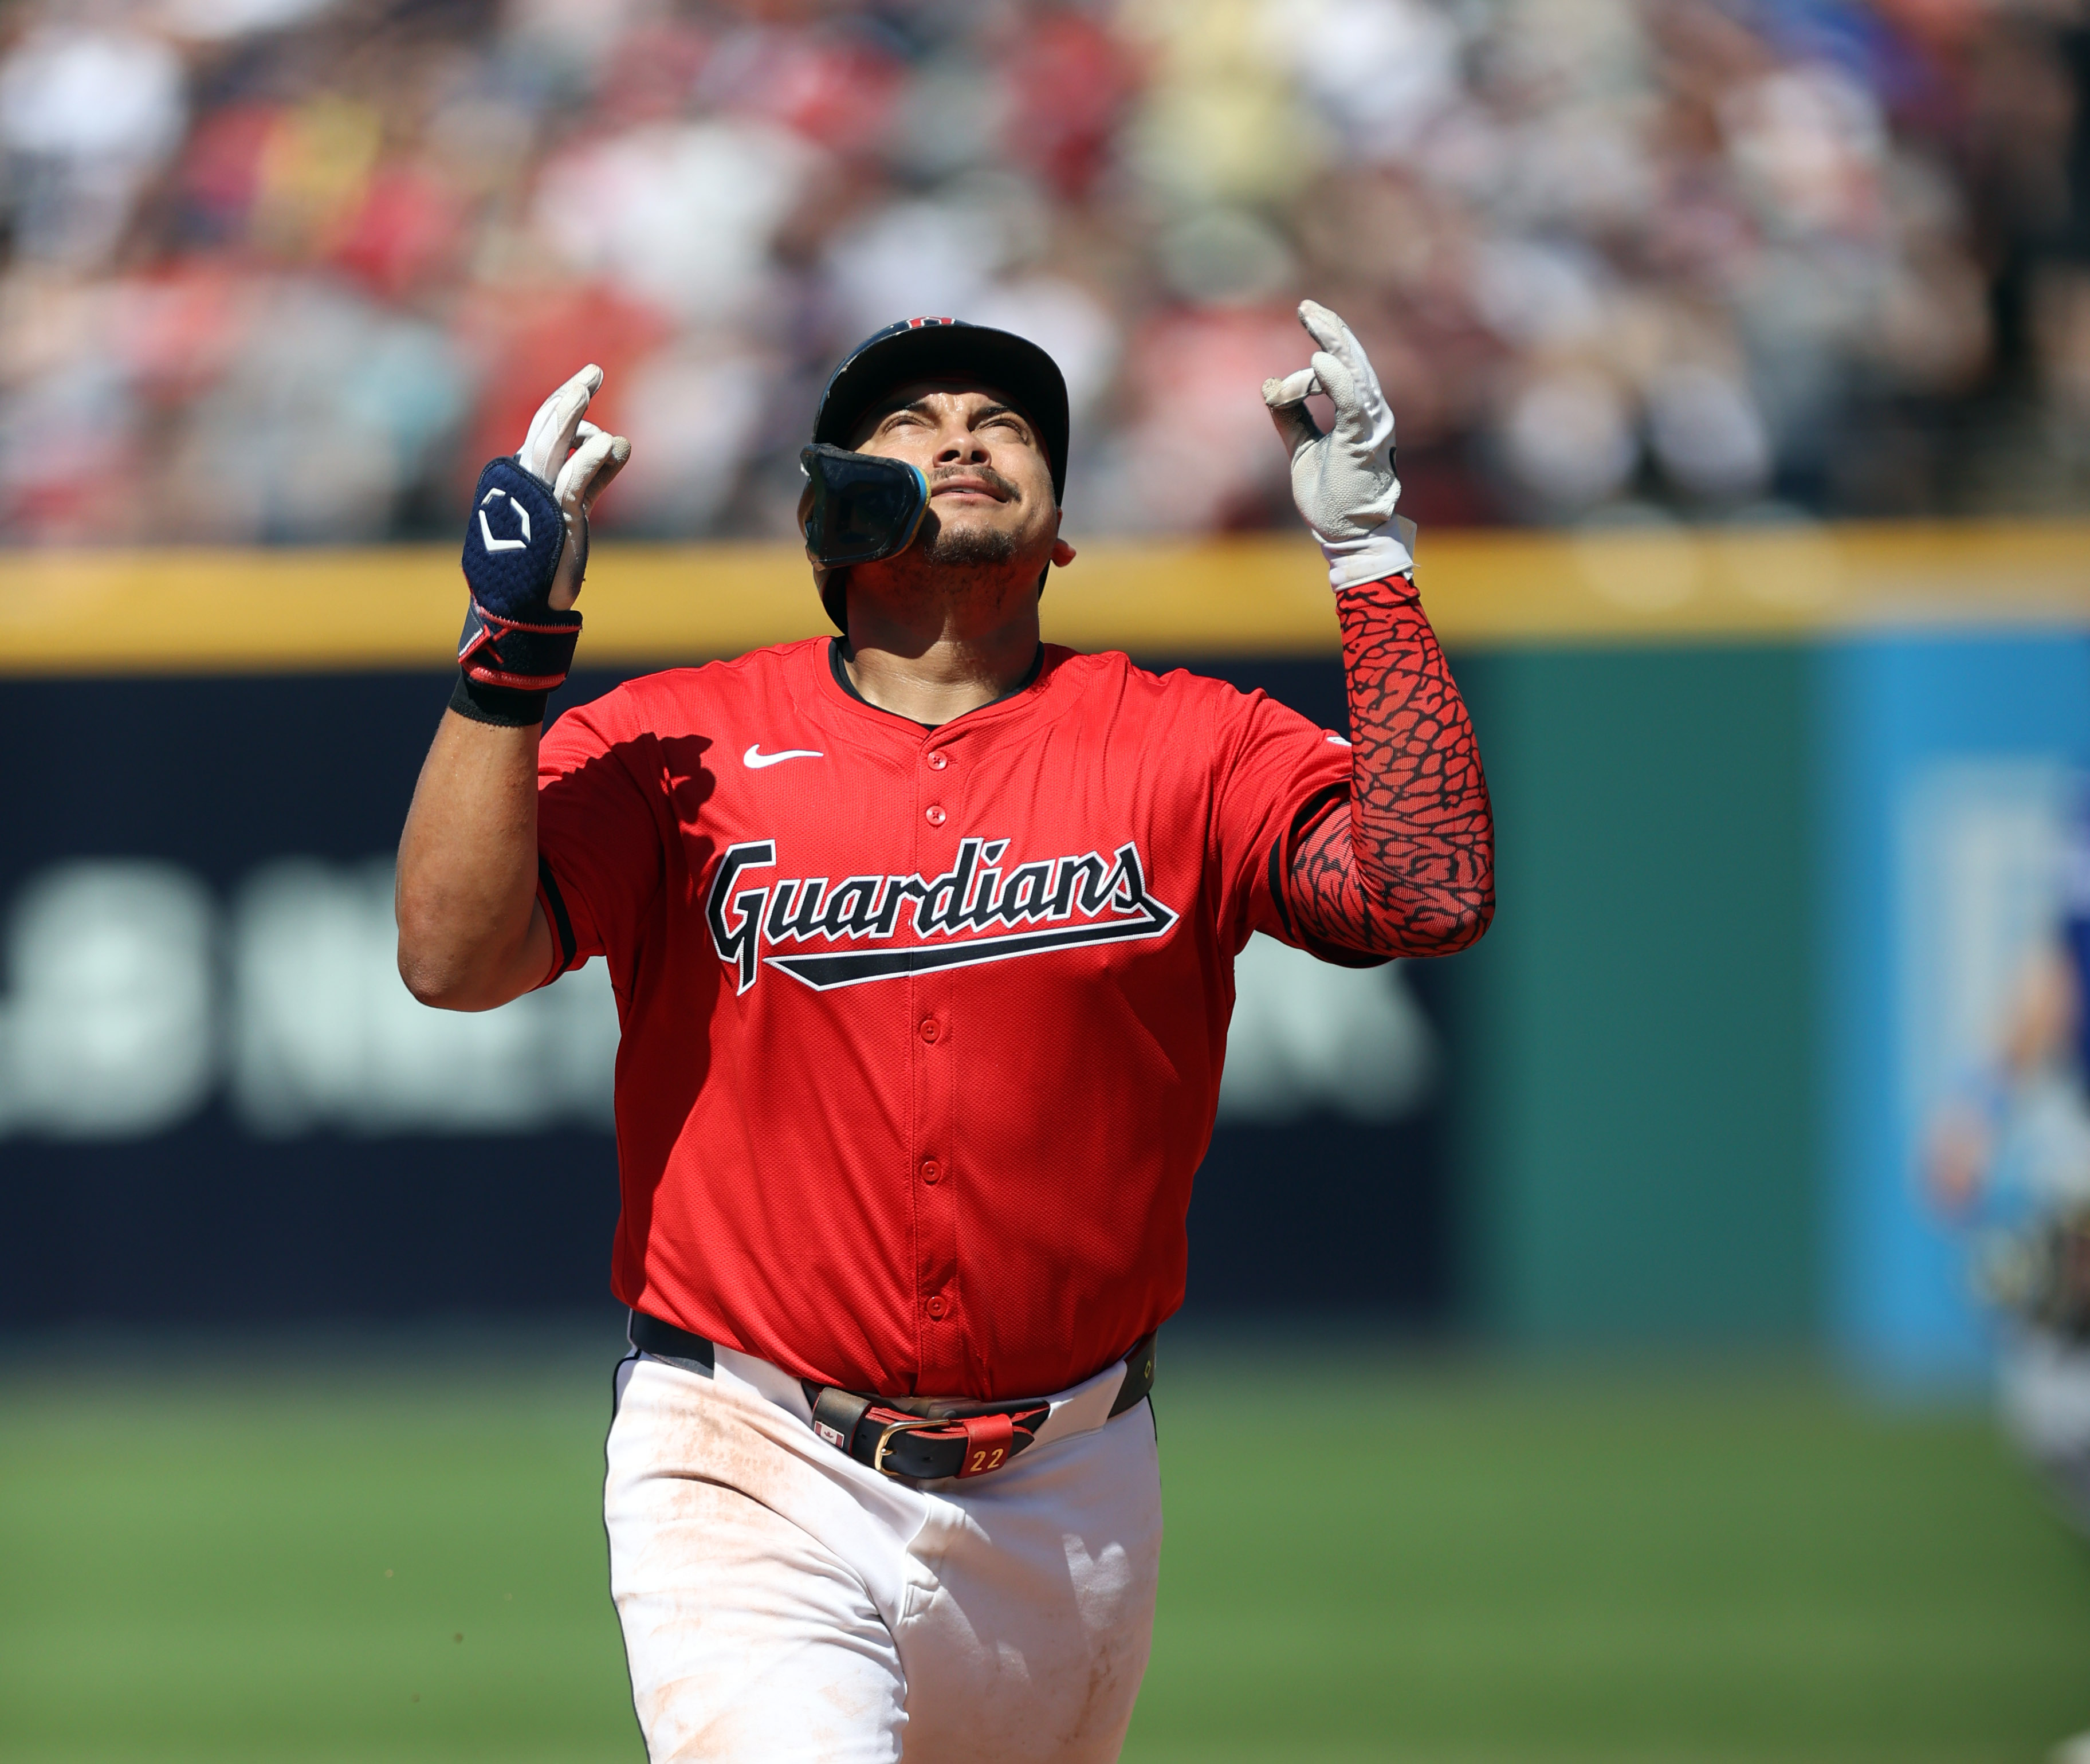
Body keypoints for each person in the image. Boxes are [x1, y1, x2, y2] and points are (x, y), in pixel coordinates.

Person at [395, 302, 1494, 1763]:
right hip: (753, 1450)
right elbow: (454, 958)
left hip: (1077, 1482)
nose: (964, 435)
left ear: (1062, 535)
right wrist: (507, 657)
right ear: (824, 518)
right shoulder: (682, 741)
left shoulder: (1187, 738)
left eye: (1010, 425)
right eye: (907, 423)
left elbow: (1427, 892)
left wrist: (1371, 562)